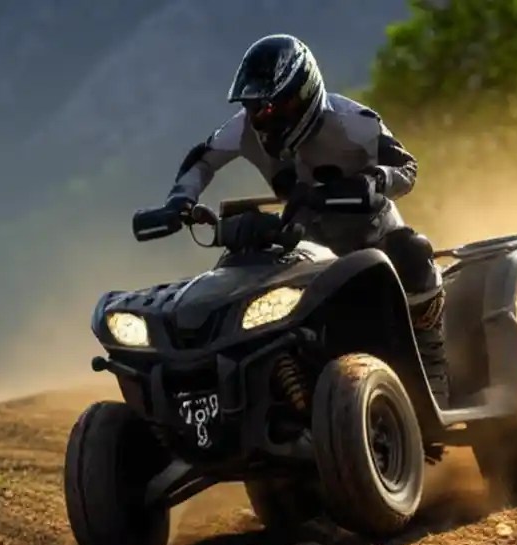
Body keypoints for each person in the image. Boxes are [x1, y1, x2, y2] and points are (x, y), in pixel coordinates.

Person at [161, 33, 449, 405]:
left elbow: (407, 168)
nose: (261, 118)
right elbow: (202, 161)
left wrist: (373, 181)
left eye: (271, 106)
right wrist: (180, 201)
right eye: (253, 107)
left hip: (373, 237)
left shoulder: (354, 122)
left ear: (304, 93)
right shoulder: (242, 127)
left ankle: (431, 364)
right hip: (303, 241)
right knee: (240, 275)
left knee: (412, 253)